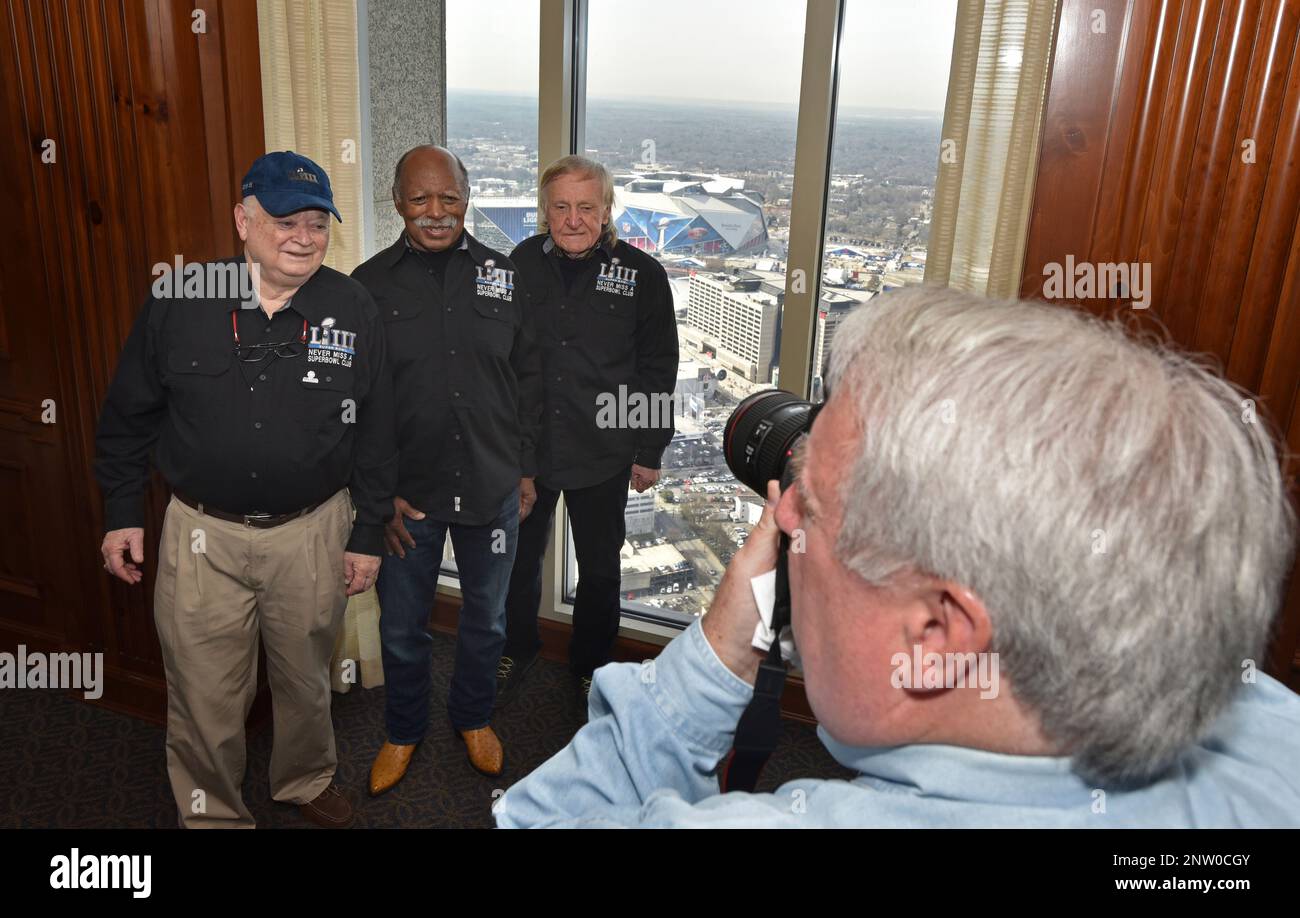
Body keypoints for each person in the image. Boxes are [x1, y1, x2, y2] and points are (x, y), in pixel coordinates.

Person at [496, 286, 1300, 827]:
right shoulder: (1271, 734)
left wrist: (712, 660)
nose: (779, 515)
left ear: (936, 635)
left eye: (806, 506)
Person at [95, 151, 397, 829]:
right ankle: (213, 815)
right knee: (203, 694)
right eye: (284, 220)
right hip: (203, 536)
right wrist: (120, 512)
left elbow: (377, 433)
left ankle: (303, 780)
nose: (302, 236)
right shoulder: (179, 299)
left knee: (304, 679)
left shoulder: (351, 306)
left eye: (317, 223)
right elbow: (127, 416)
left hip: (312, 530)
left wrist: (368, 533)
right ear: (243, 220)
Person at [352, 146, 542, 790]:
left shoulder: (505, 276)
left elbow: (528, 379)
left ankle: (474, 718)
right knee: (402, 627)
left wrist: (524, 468)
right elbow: (357, 403)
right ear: (397, 200)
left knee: (487, 620)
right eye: (419, 199)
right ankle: (403, 731)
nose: (436, 213)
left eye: (449, 198)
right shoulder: (366, 286)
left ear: (468, 194)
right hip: (411, 499)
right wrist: (379, 498)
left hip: (492, 486)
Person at [497, 155, 679, 710]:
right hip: (528, 449)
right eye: (560, 207)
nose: (572, 219)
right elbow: (501, 355)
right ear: (544, 211)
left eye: (585, 207)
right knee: (517, 563)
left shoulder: (643, 276)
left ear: (606, 211)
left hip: (604, 449)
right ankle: (517, 647)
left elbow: (657, 365)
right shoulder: (520, 263)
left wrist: (648, 450)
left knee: (600, 570)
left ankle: (591, 666)